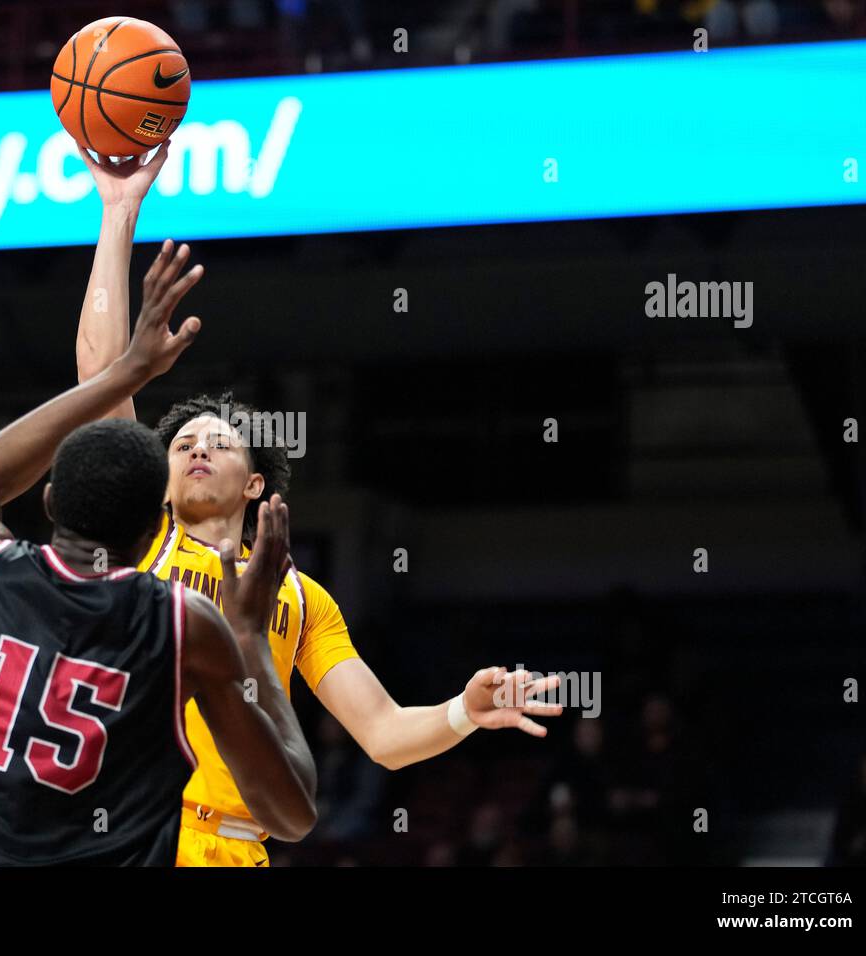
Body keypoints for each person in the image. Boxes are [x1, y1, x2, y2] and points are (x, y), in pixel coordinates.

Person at [73, 144, 564, 866]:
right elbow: (99, 378)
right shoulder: (145, 539)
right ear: (161, 482)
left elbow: (387, 734)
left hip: (237, 850)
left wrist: (463, 712)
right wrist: (118, 214)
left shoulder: (303, 601)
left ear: (254, 485)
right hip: (131, 835)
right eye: (180, 446)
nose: (196, 449)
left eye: (217, 443)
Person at [0, 243, 315, 866]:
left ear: (53, 500)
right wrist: (249, 635)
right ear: (153, 533)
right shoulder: (185, 624)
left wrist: (128, 371)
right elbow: (293, 814)